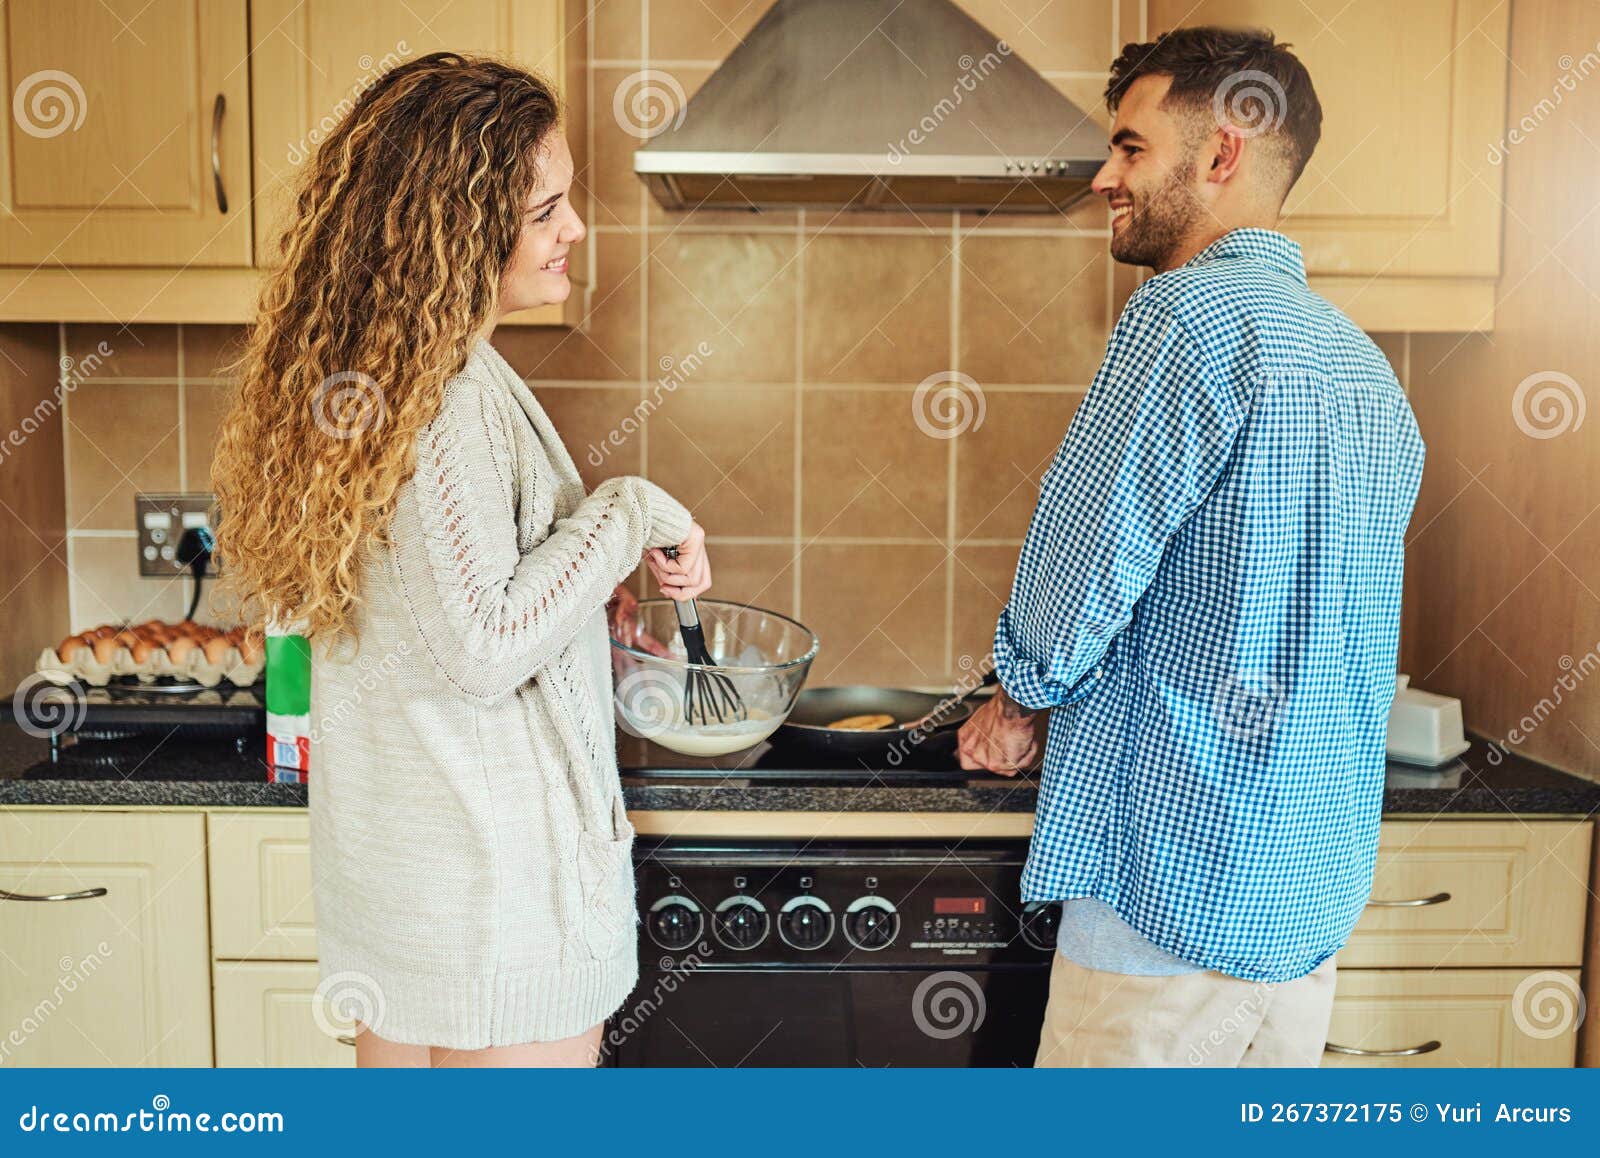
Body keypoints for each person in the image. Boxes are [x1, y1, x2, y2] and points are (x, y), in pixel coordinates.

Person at [212, 53, 710, 1067]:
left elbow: (442, 613)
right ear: (458, 225)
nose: (574, 230)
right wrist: (628, 510)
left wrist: (574, 602)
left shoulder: (391, 371)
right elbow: (482, 643)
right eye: (547, 211)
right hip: (497, 902)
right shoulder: (442, 397)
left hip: (416, 893)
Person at [956, 27, 1425, 1067]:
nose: (1100, 178)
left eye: (1128, 148)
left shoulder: (1180, 320)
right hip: (1303, 906)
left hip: (1167, 906)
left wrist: (1016, 701)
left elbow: (1087, 558)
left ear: (1221, 155)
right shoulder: (1365, 372)